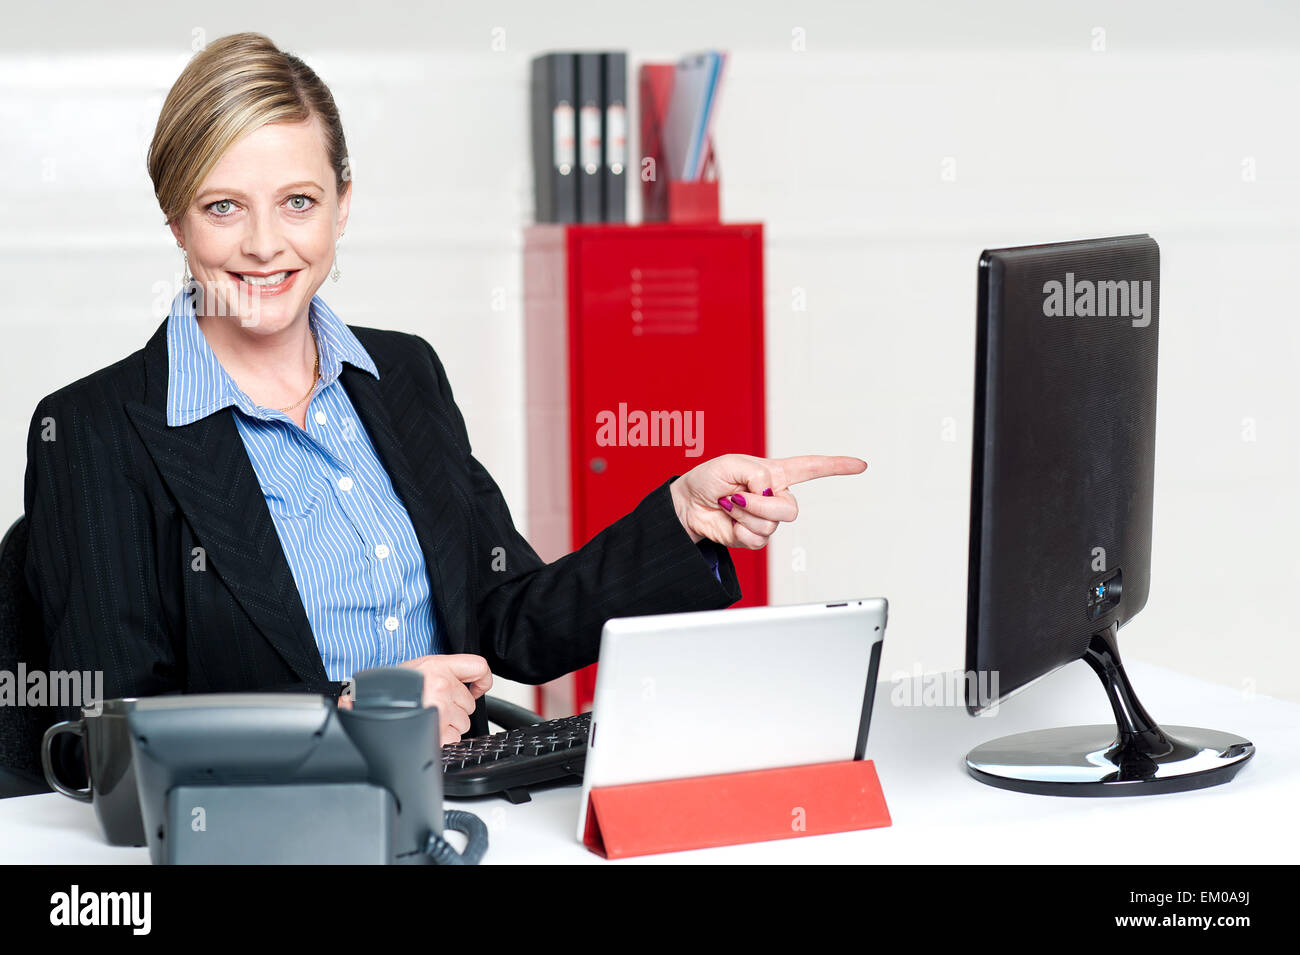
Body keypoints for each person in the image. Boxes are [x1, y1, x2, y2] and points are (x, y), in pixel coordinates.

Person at [23, 32, 866, 752]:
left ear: (343, 206)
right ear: (176, 219)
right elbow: (108, 732)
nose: (265, 244)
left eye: (299, 201)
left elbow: (507, 617)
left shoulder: (404, 376)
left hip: (455, 804)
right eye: (223, 207)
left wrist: (678, 512)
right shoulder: (95, 431)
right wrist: (358, 719)